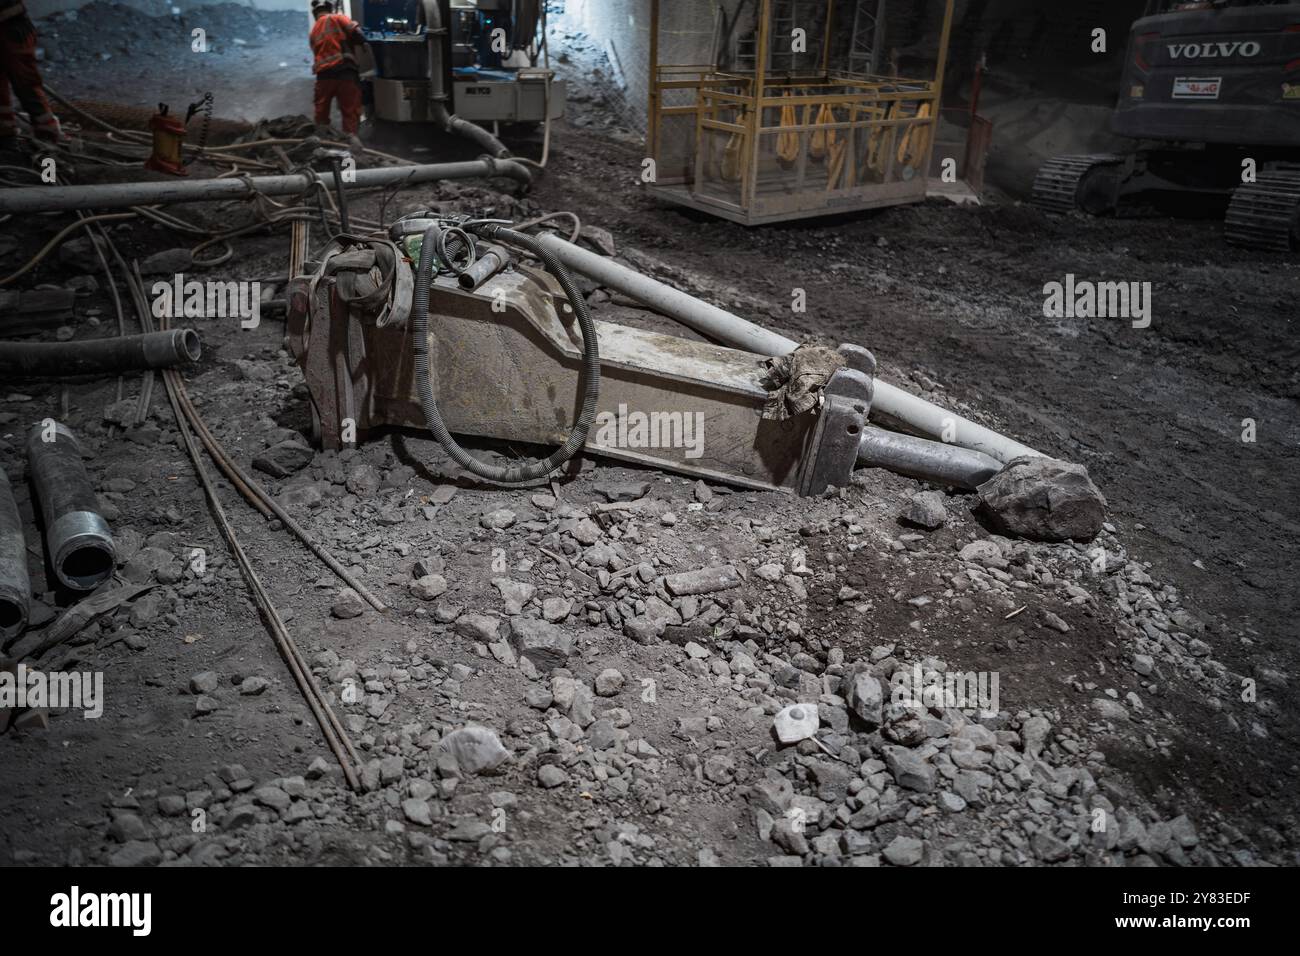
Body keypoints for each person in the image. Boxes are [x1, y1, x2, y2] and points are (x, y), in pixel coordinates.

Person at [0, 0, 65, 148]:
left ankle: (48, 134)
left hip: (13, 29)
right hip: (9, 27)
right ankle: (5, 135)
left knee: (25, 84)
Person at [309, 0, 367, 137]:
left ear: (315, 14)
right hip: (344, 72)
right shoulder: (337, 18)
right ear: (330, 9)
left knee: (321, 114)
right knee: (350, 112)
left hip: (323, 77)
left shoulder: (313, 32)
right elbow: (357, 33)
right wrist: (363, 43)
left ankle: (322, 144)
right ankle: (351, 146)